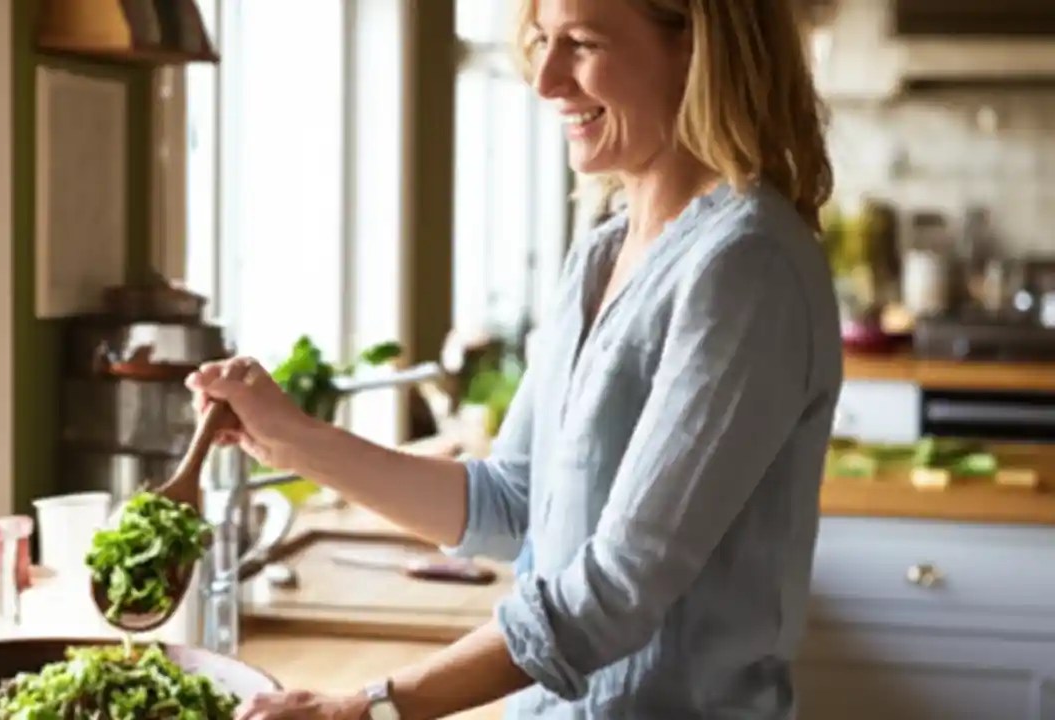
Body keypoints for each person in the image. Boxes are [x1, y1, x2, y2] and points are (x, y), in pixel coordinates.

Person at [188, 0, 841, 716]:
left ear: (696, 49)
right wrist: (296, 441)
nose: (547, 80)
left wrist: (369, 707)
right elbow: (514, 501)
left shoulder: (746, 266)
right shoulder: (603, 251)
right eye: (542, 41)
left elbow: (617, 589)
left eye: (583, 44)